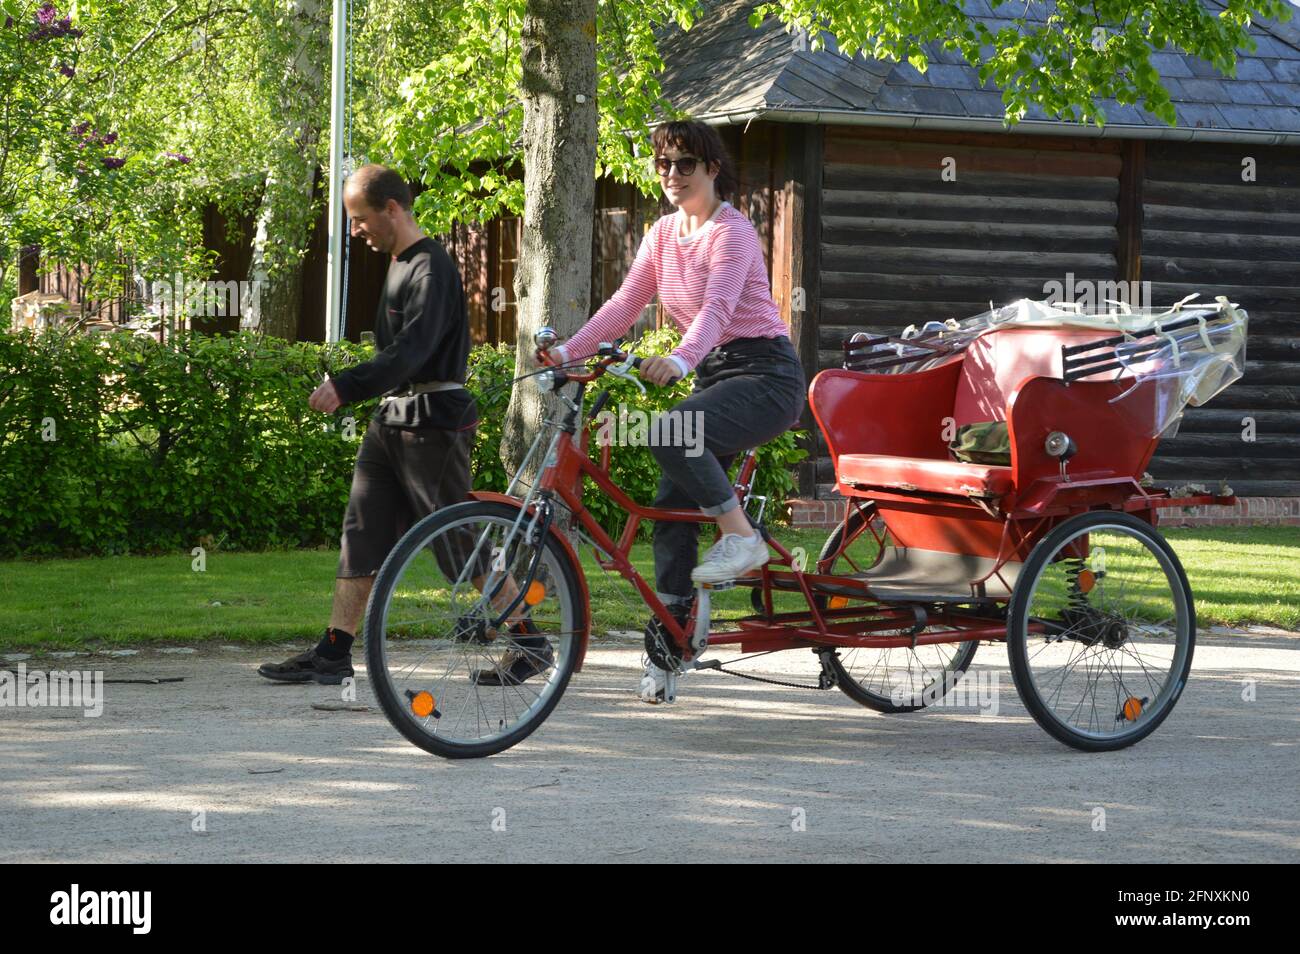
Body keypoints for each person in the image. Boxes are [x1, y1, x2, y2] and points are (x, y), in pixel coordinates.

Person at [544, 119, 806, 701]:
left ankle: (742, 538)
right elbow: (625, 303)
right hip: (718, 375)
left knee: (670, 432)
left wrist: (682, 360)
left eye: (684, 164)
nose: (670, 175)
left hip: (765, 375)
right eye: (661, 165)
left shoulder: (731, 233)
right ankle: (668, 650)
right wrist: (567, 351)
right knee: (669, 508)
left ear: (713, 168)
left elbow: (715, 311)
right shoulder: (662, 233)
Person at [258, 164, 500, 686]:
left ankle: (529, 638)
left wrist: (346, 385)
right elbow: (395, 356)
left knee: (453, 541)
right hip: (391, 417)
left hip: (432, 422)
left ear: (392, 209)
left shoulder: (432, 268)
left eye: (360, 218)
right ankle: (333, 651)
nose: (355, 230)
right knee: (361, 531)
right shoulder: (398, 264)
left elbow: (412, 352)